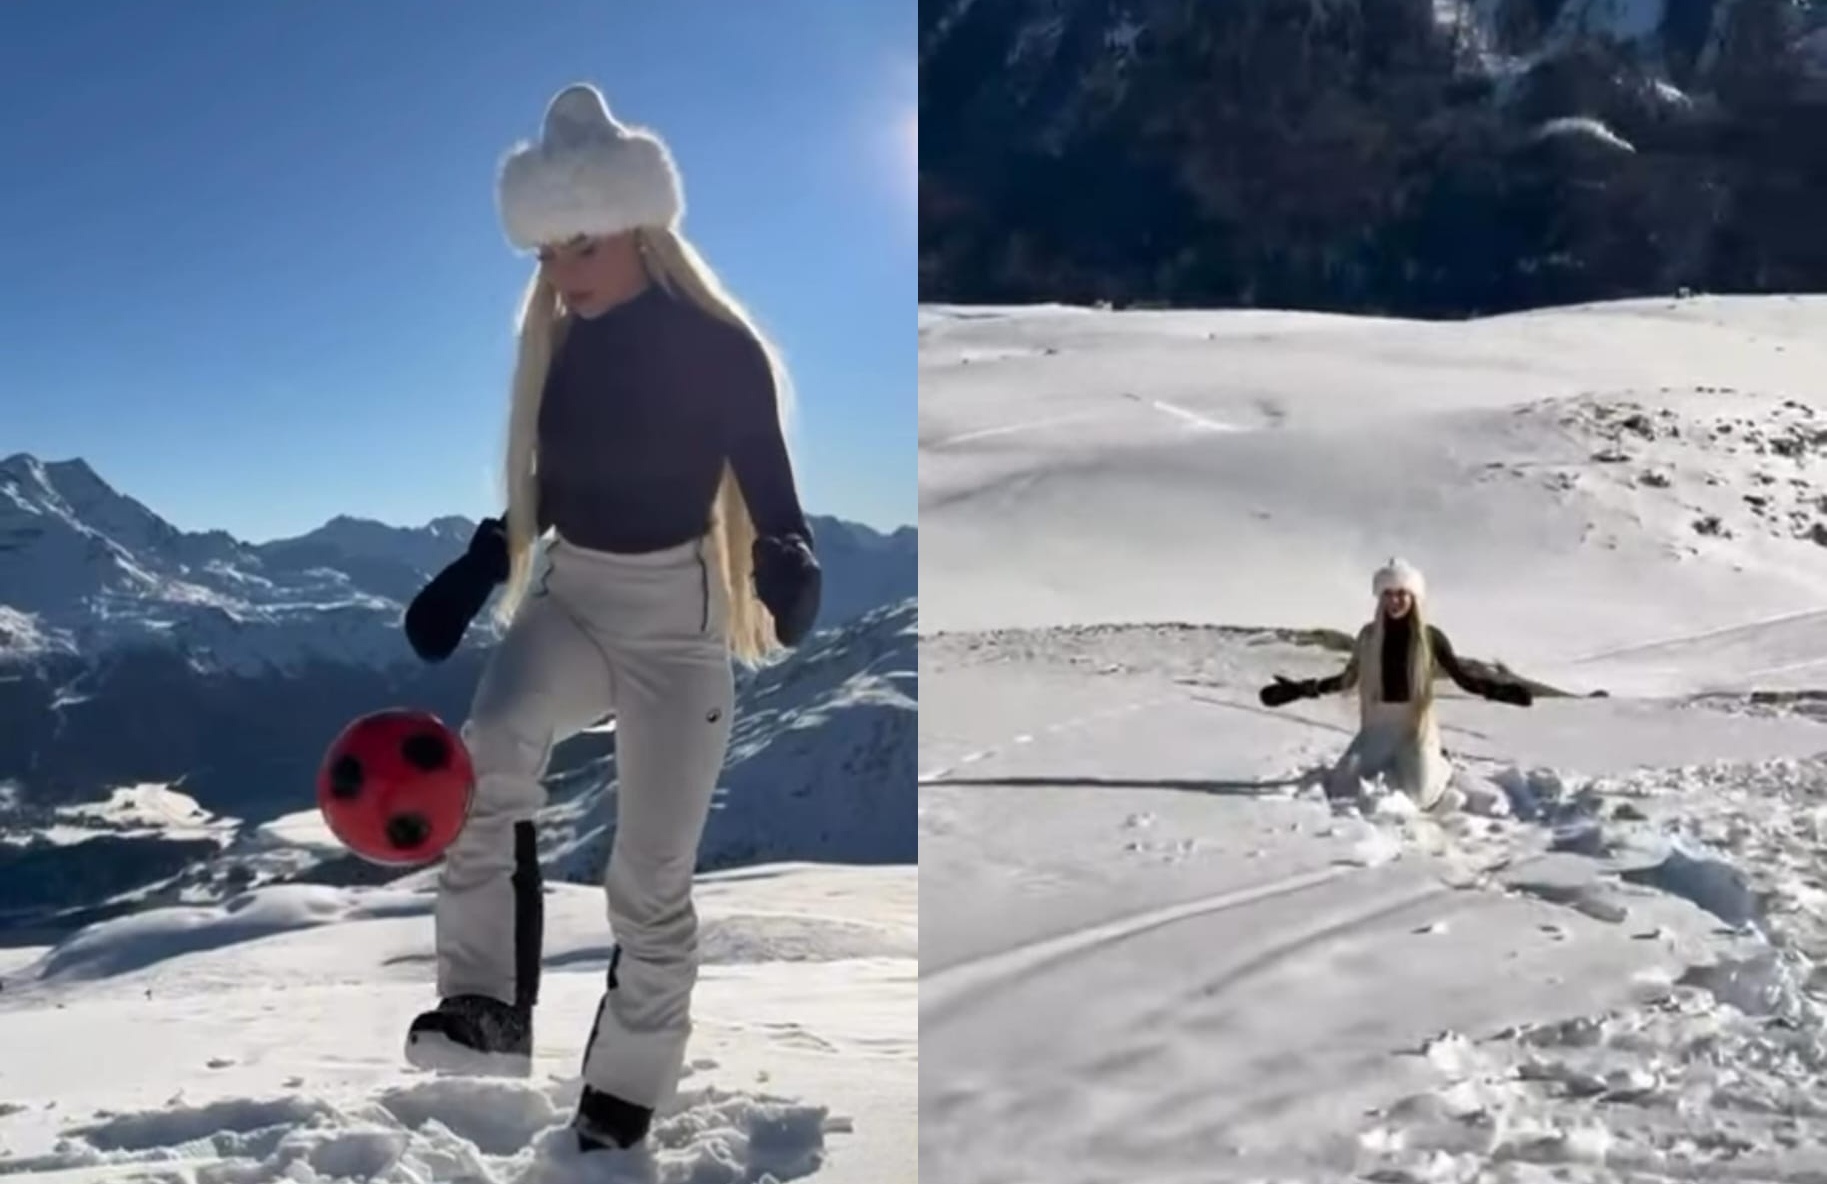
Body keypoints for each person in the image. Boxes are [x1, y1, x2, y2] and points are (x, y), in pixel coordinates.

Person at [396, 82, 822, 1154]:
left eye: (574, 247)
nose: (558, 274)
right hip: (573, 600)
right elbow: (547, 481)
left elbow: (768, 486)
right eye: (543, 254)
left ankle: (626, 1089)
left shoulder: (721, 351)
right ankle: (484, 1005)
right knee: (489, 748)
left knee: (651, 878)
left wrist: (786, 555)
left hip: (679, 623)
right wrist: (482, 562)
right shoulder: (561, 348)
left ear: (638, 226)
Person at [1257, 558, 1531, 809]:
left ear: (1414, 597)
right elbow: (1347, 680)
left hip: (1415, 727)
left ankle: (1441, 762)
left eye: (1402, 593)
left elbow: (1464, 679)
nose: (1395, 600)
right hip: (1378, 727)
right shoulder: (1368, 636)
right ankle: (1391, 764)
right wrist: (1299, 689)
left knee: (1421, 797)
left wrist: (1499, 691)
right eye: (1388, 593)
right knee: (1343, 788)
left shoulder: (1431, 638)